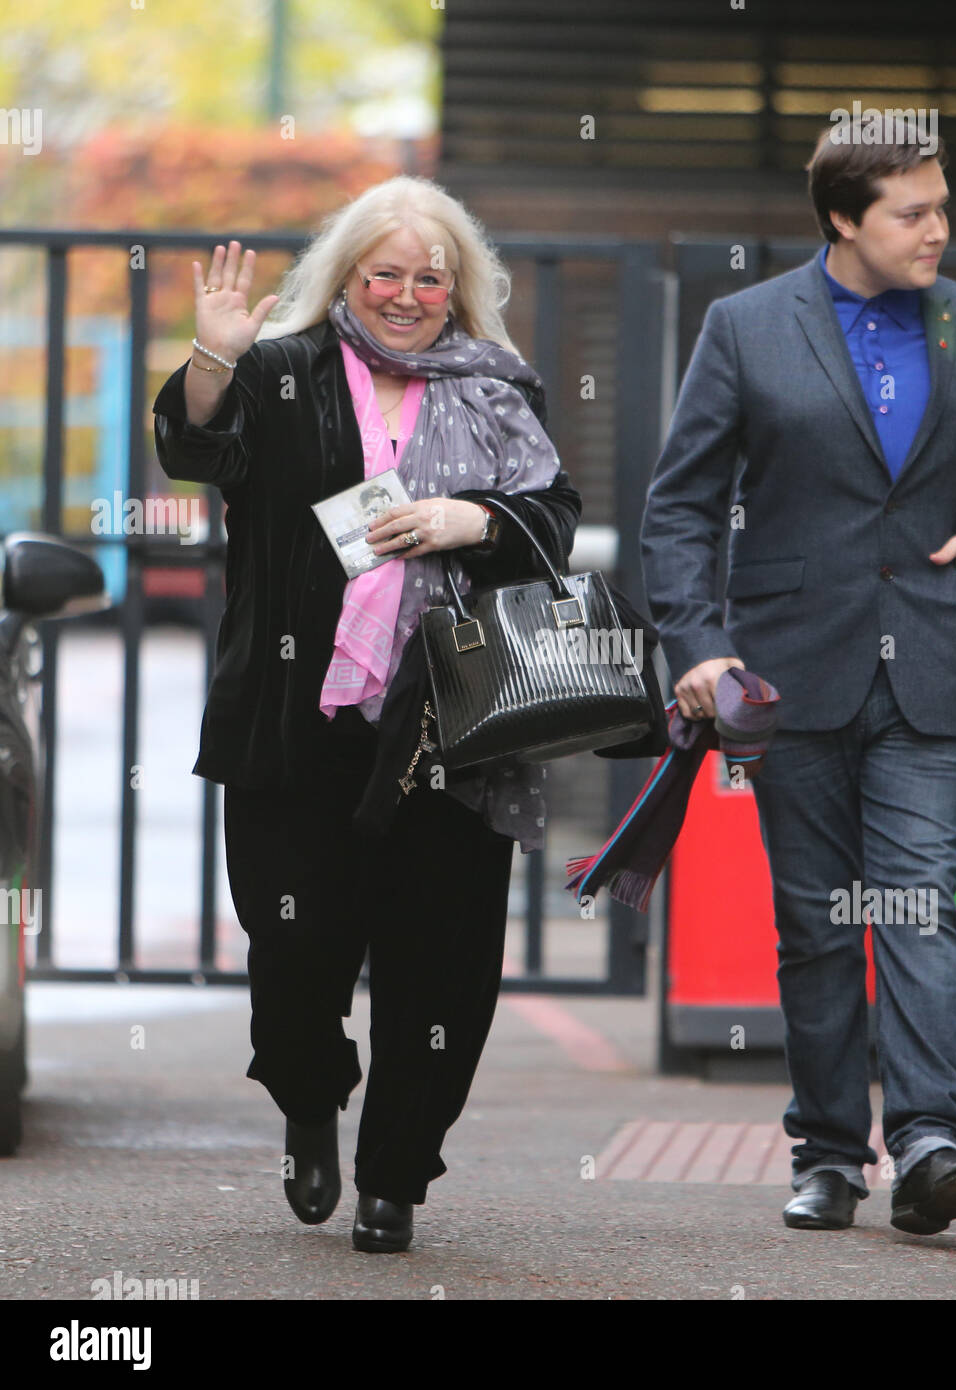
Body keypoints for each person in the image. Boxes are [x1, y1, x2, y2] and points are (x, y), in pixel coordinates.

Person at [153, 175, 581, 1253]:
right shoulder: (282, 372)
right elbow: (196, 451)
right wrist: (212, 357)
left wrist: (468, 516)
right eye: (383, 273)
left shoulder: (493, 389)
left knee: (442, 964)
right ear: (346, 276)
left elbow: (553, 522)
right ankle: (309, 1098)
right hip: (296, 727)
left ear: (457, 289)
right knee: (294, 956)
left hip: (448, 726)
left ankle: (394, 1174)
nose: (404, 295)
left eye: (428, 277)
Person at [640, 122, 956, 1235]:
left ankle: (929, 1139)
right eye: (912, 212)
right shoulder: (744, 327)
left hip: (935, 657)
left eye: (941, 206)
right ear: (843, 218)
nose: (938, 230)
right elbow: (679, 506)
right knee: (818, 920)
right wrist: (698, 645)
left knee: (916, 898)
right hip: (788, 667)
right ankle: (828, 1151)